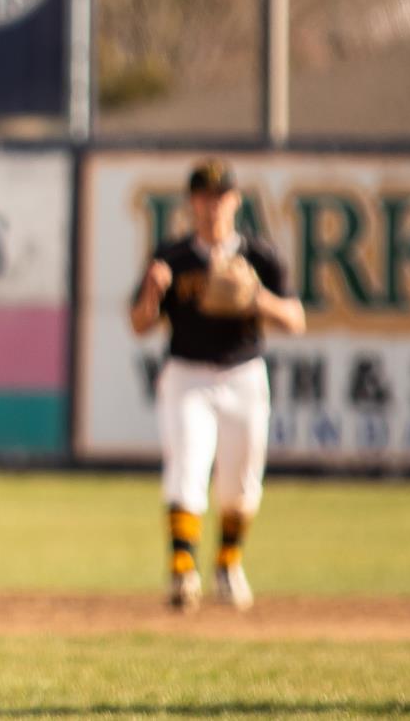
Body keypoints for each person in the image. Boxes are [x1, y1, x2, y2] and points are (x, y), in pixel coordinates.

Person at [129, 158, 305, 612]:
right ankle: (182, 571)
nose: (213, 205)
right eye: (205, 196)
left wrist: (257, 298)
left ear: (236, 200)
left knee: (240, 482)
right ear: (192, 202)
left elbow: (295, 319)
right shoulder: (172, 257)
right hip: (187, 374)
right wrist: (152, 290)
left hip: (243, 373)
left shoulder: (259, 256)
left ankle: (227, 565)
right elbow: (140, 324)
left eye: (221, 195)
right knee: (187, 467)